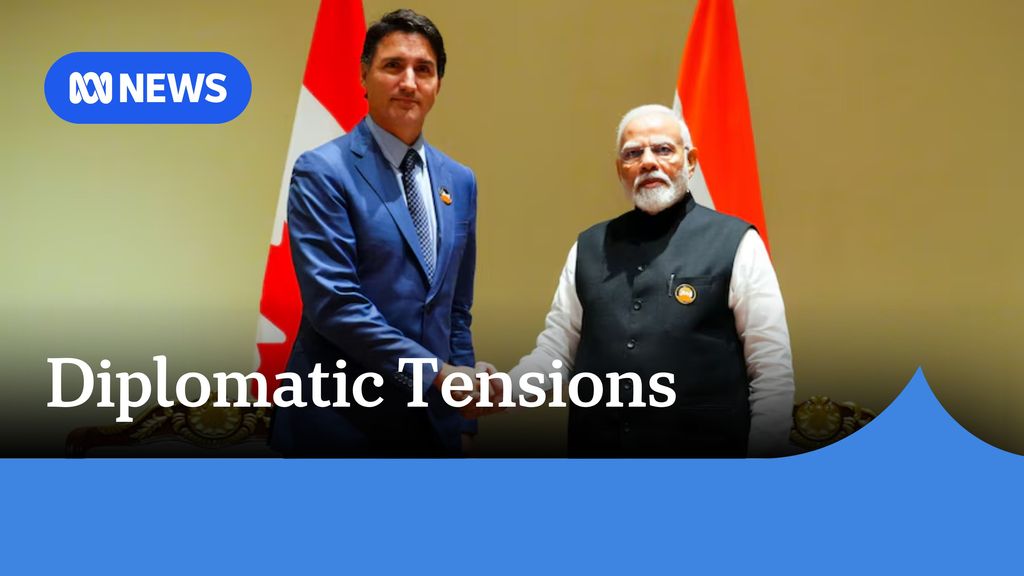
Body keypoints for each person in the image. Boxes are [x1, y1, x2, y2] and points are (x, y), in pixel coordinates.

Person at [507, 104, 795, 457]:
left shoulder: (737, 242)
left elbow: (771, 369)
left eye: (662, 149)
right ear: (620, 170)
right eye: (633, 153)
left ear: (690, 162)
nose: (647, 162)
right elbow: (556, 353)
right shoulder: (588, 247)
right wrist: (506, 390)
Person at [269, 9, 488, 456]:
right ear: (364, 77)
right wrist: (439, 376)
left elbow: (455, 310)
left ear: (437, 86)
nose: (409, 81)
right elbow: (334, 304)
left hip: (431, 430)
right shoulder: (323, 171)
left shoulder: (460, 181)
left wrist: (463, 417)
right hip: (339, 426)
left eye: (423, 69)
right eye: (393, 66)